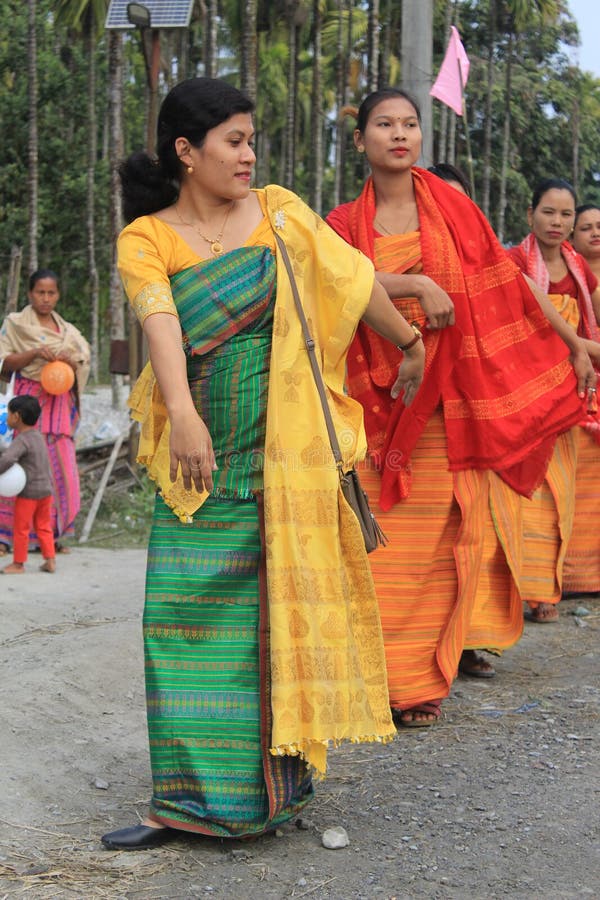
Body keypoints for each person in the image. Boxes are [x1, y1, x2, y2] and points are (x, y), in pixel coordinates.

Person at [100, 76, 425, 851]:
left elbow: (350, 284)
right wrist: (181, 413)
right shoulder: (148, 236)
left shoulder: (279, 213)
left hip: (287, 464)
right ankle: (180, 804)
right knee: (177, 624)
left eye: (252, 141)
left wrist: (409, 342)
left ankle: (269, 798)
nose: (250, 156)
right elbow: (159, 321)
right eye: (234, 142)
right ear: (188, 151)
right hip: (199, 464)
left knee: (270, 628)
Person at [326, 89, 595, 726]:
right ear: (361, 139)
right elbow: (335, 281)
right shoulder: (340, 224)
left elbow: (508, 289)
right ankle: (374, 678)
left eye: (411, 124)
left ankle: (419, 684)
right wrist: (417, 283)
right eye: (385, 124)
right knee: (380, 547)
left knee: (446, 540)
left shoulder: (452, 208)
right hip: (379, 404)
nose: (400, 134)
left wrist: (574, 344)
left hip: (449, 405)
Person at [509, 185, 600, 606]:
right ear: (531, 214)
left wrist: (585, 351)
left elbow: (592, 315)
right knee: (530, 490)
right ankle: (522, 589)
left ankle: (548, 589)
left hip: (572, 388)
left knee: (562, 489)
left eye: (565, 215)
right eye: (549, 212)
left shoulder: (578, 266)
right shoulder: (512, 263)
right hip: (524, 389)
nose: (558, 223)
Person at [0, 270, 90, 554]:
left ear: (58, 295)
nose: (46, 298)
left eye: (51, 293)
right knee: (18, 467)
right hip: (27, 406)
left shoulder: (68, 332)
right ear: (30, 294)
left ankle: (51, 535)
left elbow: (81, 360)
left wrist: (69, 362)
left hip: (58, 407)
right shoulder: (16, 325)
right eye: (40, 292)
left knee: (59, 470)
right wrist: (35, 353)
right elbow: (4, 362)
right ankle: (6, 537)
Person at [0, 395, 55, 574]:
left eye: (8, 414)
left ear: (17, 416)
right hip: (46, 491)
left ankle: (18, 563)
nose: (7, 418)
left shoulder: (22, 439)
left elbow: (8, 458)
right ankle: (50, 559)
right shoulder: (38, 436)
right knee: (43, 525)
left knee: (21, 527)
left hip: (29, 493)